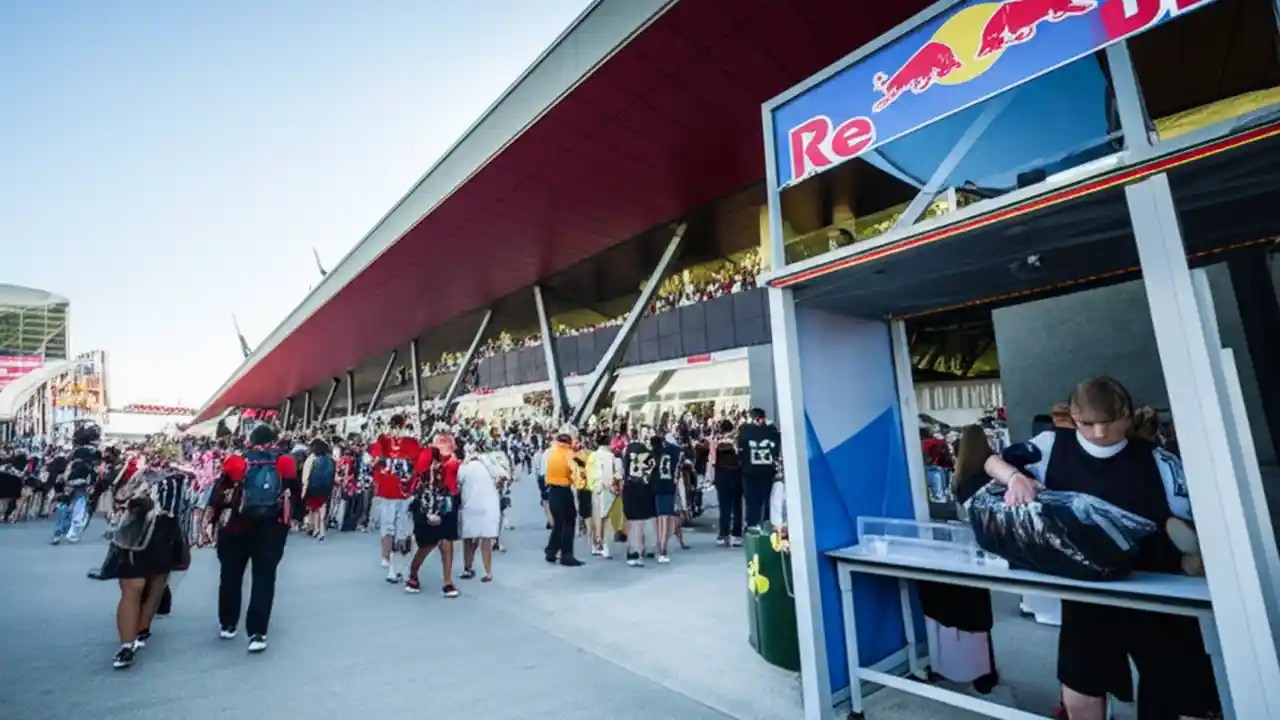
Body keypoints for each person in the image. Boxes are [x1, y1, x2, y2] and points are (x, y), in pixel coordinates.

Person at [985, 377, 1217, 720]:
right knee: (1082, 688)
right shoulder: (1050, 445)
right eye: (1085, 424)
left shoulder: (1160, 462)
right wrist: (1016, 478)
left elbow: (1193, 523)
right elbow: (992, 462)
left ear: (1127, 417)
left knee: (1182, 693)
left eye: (1106, 423)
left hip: (1156, 592)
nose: (1096, 433)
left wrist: (1194, 557)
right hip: (1087, 592)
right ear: (1072, 418)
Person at [203, 423, 298, 653]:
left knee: (230, 575)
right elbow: (294, 495)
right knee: (264, 578)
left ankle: (228, 623)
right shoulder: (284, 462)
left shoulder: (237, 461)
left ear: (250, 440)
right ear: (273, 440)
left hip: (236, 526)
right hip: (271, 529)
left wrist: (210, 521)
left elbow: (219, 494)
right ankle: (257, 633)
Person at [101, 449, 186, 669]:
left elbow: (119, 501)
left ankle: (127, 645)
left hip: (133, 536)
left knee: (132, 590)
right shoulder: (178, 480)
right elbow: (180, 512)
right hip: (163, 534)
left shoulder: (135, 477)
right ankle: (140, 632)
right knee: (155, 585)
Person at [406, 433, 461, 597]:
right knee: (427, 545)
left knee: (446, 543)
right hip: (425, 506)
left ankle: (447, 581)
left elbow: (452, 486)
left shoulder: (452, 462)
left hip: (445, 506)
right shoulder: (426, 458)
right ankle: (413, 572)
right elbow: (420, 478)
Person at [369, 415, 421, 583]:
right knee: (398, 530)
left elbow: (374, 463)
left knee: (392, 529)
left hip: (392, 492)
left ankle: (392, 563)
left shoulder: (384, 441)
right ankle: (397, 565)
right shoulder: (403, 443)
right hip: (400, 493)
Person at [459, 446, 507, 582]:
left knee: (468, 539)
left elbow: (457, 483)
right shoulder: (492, 465)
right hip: (489, 506)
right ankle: (488, 572)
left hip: (470, 505)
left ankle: (467, 568)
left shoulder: (465, 467)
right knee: (486, 540)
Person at [542, 428, 583, 567]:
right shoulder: (569, 454)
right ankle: (567, 554)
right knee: (569, 521)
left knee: (558, 523)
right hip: (564, 490)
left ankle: (551, 551)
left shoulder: (550, 453)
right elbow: (577, 470)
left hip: (552, 490)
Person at [737, 408, 780, 530]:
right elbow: (777, 448)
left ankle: (752, 524)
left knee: (752, 500)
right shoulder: (771, 430)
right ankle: (766, 524)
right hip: (767, 471)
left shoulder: (745, 431)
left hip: (749, 471)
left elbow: (740, 450)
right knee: (767, 499)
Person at [621, 431, 655, 567]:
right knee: (640, 523)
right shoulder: (648, 455)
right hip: (643, 489)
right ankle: (639, 550)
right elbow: (651, 472)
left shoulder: (627, 453)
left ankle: (632, 549)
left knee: (631, 522)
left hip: (629, 489)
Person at [709, 419, 743, 547]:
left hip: (722, 476)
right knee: (737, 506)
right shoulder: (736, 440)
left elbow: (713, 461)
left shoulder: (716, 441)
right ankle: (737, 534)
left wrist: (712, 478)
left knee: (724, 506)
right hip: (736, 476)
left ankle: (724, 534)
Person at [651, 432, 683, 564]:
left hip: (657, 487)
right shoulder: (675, 451)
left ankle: (660, 545)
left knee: (660, 518)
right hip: (669, 486)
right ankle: (663, 549)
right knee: (666, 519)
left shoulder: (657, 452)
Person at [587, 433, 619, 558]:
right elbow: (608, 475)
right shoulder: (609, 456)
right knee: (606, 518)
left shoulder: (592, 455)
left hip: (594, 488)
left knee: (596, 517)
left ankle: (595, 544)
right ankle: (604, 545)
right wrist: (614, 488)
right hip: (605, 489)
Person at [300, 437, 335, 542]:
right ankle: (321, 529)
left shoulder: (311, 459)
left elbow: (306, 475)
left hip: (313, 487)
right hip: (326, 488)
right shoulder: (331, 459)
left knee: (313, 508)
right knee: (322, 507)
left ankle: (315, 529)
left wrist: (304, 488)